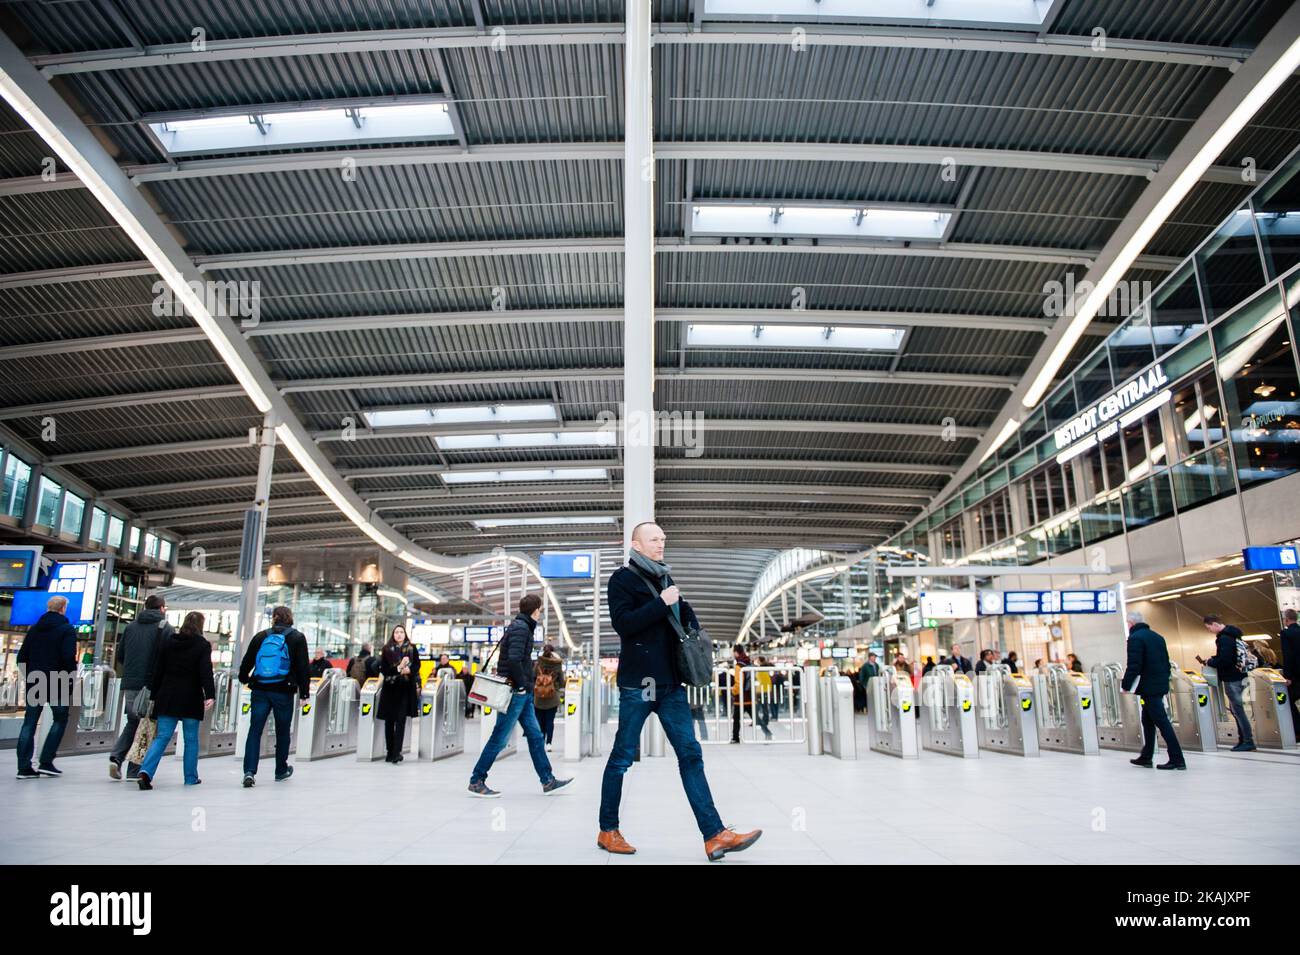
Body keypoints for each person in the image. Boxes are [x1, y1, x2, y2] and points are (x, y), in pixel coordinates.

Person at [598, 521, 761, 861]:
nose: (661, 544)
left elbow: (680, 616)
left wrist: (689, 619)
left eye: (663, 539)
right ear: (636, 545)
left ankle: (715, 835)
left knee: (690, 754)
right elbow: (623, 624)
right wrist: (661, 602)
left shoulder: (665, 578)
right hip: (640, 684)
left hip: (670, 683)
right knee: (622, 757)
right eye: (654, 539)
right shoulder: (622, 580)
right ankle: (607, 830)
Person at [468, 595, 572, 797]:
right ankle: (476, 780)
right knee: (499, 738)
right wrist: (523, 685)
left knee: (535, 736)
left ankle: (548, 780)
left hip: (522, 694)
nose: (540, 613)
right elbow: (514, 659)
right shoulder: (521, 628)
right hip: (516, 692)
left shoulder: (522, 627)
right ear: (535, 610)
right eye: (540, 610)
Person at [137, 612, 216, 789]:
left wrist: (154, 695)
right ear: (201, 626)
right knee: (191, 739)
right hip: (191, 697)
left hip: (167, 696)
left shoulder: (169, 642)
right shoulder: (202, 645)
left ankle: (145, 772)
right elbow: (205, 671)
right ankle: (190, 777)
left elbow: (158, 670)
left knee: (162, 737)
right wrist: (210, 694)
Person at [238, 605, 311, 786]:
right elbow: (303, 668)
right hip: (284, 691)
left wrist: (246, 680)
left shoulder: (261, 636)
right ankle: (280, 770)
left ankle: (249, 771)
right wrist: (304, 693)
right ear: (290, 618)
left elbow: (247, 662)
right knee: (282, 731)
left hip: (260, 689)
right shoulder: (297, 637)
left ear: (274, 618)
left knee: (255, 729)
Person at [109, 595, 173, 780]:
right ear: (161, 608)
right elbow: (168, 657)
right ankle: (134, 769)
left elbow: (121, 655)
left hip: (130, 682)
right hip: (151, 684)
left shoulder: (130, 627)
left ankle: (117, 757)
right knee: (146, 724)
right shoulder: (165, 627)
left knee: (133, 721)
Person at [14, 596, 78, 780]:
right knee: (60, 719)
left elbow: (21, 658)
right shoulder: (67, 629)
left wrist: (31, 675)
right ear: (63, 608)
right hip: (58, 681)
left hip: (35, 681)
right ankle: (46, 762)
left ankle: (24, 767)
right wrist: (71, 678)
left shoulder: (34, 629)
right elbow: (68, 656)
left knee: (29, 722)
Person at [1121, 611, 1185, 771]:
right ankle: (1146, 756)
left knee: (1162, 721)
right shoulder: (1158, 637)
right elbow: (1166, 662)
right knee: (1147, 720)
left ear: (1130, 623)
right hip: (1159, 684)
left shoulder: (1135, 638)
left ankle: (1177, 759)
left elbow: (1134, 665)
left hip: (1148, 686)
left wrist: (1126, 684)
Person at [1196, 614, 1255, 751]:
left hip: (1231, 678)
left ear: (1215, 624)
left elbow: (1225, 660)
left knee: (1238, 710)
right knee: (1236, 710)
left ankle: (1248, 741)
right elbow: (1231, 656)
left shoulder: (1224, 638)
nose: (1209, 630)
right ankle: (1242, 740)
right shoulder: (1234, 635)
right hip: (1241, 676)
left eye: (1209, 627)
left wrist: (1210, 661)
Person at [379, 625, 421, 763]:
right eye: (396, 632)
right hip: (390, 689)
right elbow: (384, 669)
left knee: (401, 720)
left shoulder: (412, 648)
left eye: (401, 632)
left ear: (405, 634)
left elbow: (417, 665)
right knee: (389, 721)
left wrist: (410, 670)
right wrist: (398, 668)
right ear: (393, 634)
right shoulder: (386, 649)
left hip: (405, 689)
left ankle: (397, 752)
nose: (399, 634)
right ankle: (390, 751)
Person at [533, 643, 564, 749]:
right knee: (550, 721)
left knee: (540, 721)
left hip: (538, 697)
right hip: (552, 697)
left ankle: (541, 741)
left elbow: (533, 677)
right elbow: (562, 682)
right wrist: (555, 686)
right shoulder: (557, 665)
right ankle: (549, 744)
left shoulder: (538, 664)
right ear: (553, 652)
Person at [1280, 608, 1300, 736]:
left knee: (1286, 699)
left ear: (1286, 619)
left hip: (1296, 675)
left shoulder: (1286, 634)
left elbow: (1288, 655)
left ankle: (1297, 730)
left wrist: (1287, 676)